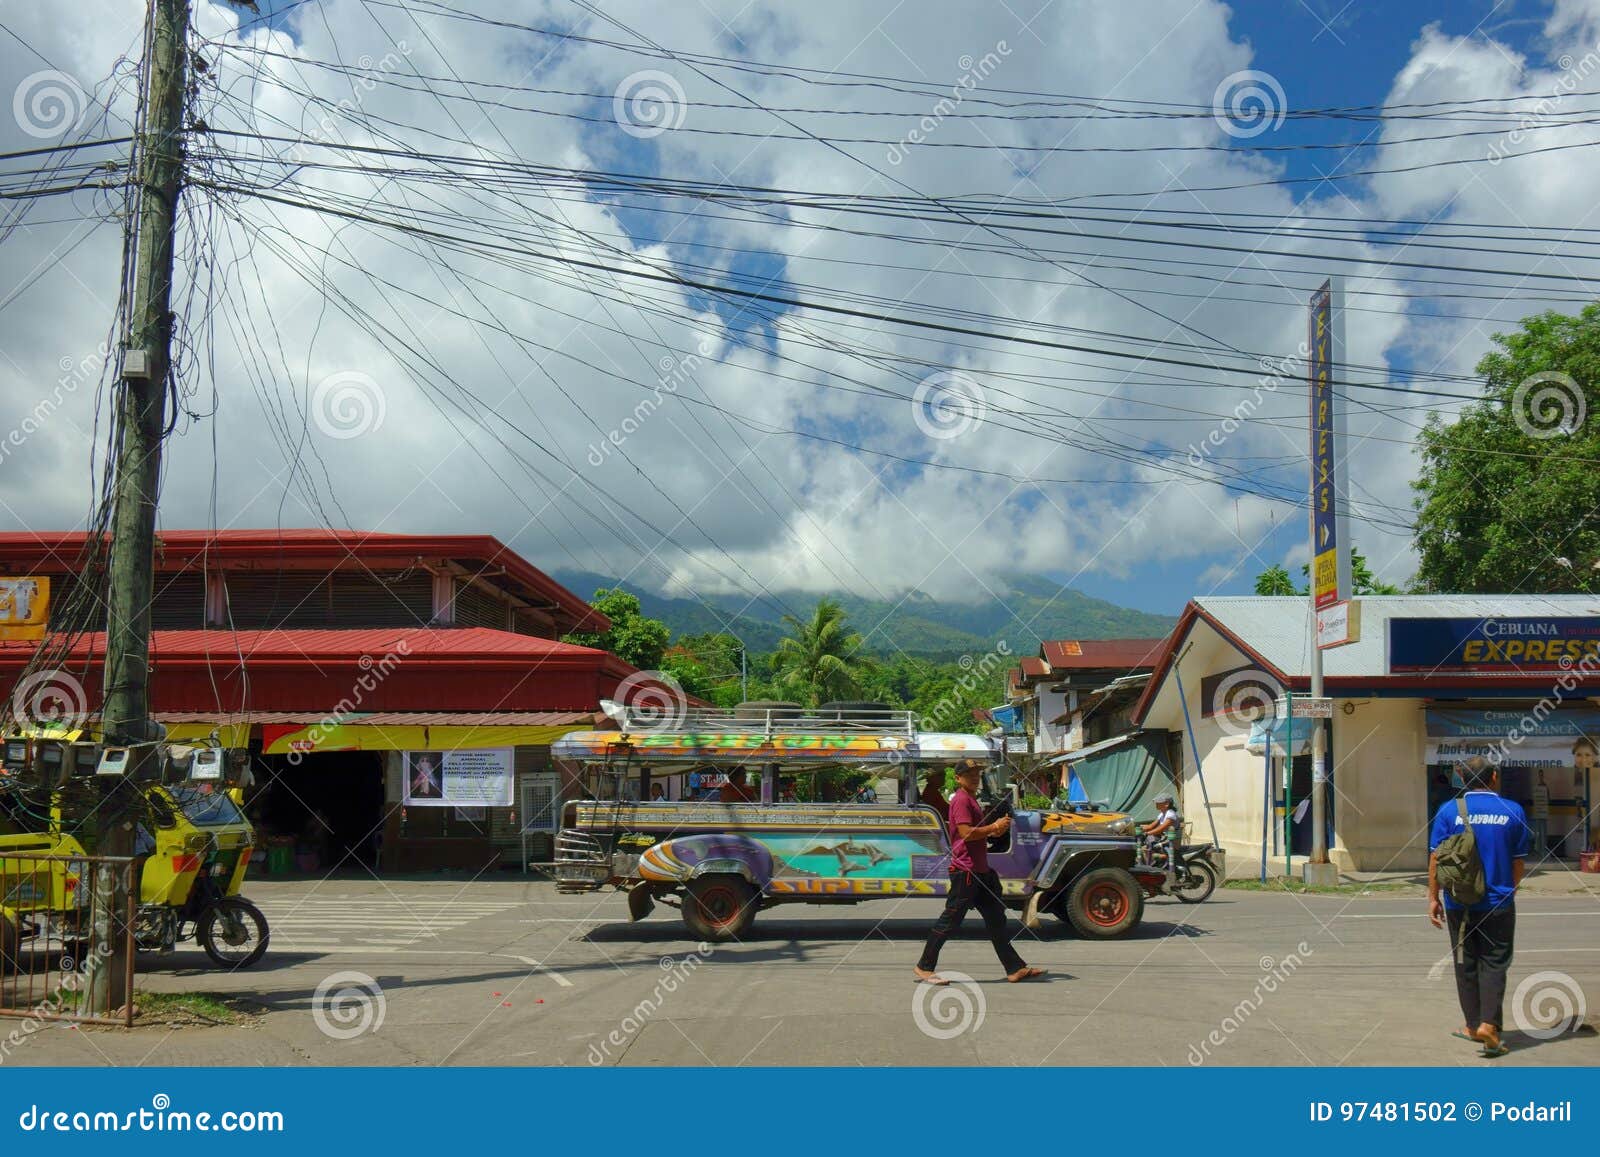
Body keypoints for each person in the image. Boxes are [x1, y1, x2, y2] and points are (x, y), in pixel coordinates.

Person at [1428, 756, 1530, 1058]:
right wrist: (1508, 892)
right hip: (1498, 904)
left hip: (1459, 902)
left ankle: (1474, 1025)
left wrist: (1433, 898)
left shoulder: (1448, 811)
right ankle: (1489, 1025)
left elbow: (1436, 859)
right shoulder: (1514, 811)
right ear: (1494, 777)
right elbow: (1518, 861)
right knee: (1495, 963)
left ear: (1461, 778)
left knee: (1465, 964)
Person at [914, 759, 1042, 985]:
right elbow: (965, 833)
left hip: (980, 872)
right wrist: (993, 828)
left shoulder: (970, 799)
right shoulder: (962, 800)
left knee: (996, 921)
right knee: (950, 921)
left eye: (977, 773)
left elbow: (976, 833)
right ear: (958, 778)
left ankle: (1015, 968)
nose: (974, 777)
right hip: (967, 873)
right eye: (969, 773)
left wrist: (994, 829)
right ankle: (924, 967)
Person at [1139, 791, 1182, 866]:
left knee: (1147, 849)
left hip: (1172, 841)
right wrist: (1139, 828)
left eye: (1159, 802)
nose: (1156, 803)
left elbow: (1161, 829)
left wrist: (1147, 833)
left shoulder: (1171, 813)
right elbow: (1150, 826)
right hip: (1165, 839)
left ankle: (1164, 858)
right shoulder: (1162, 814)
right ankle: (1157, 863)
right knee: (1145, 847)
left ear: (1166, 804)